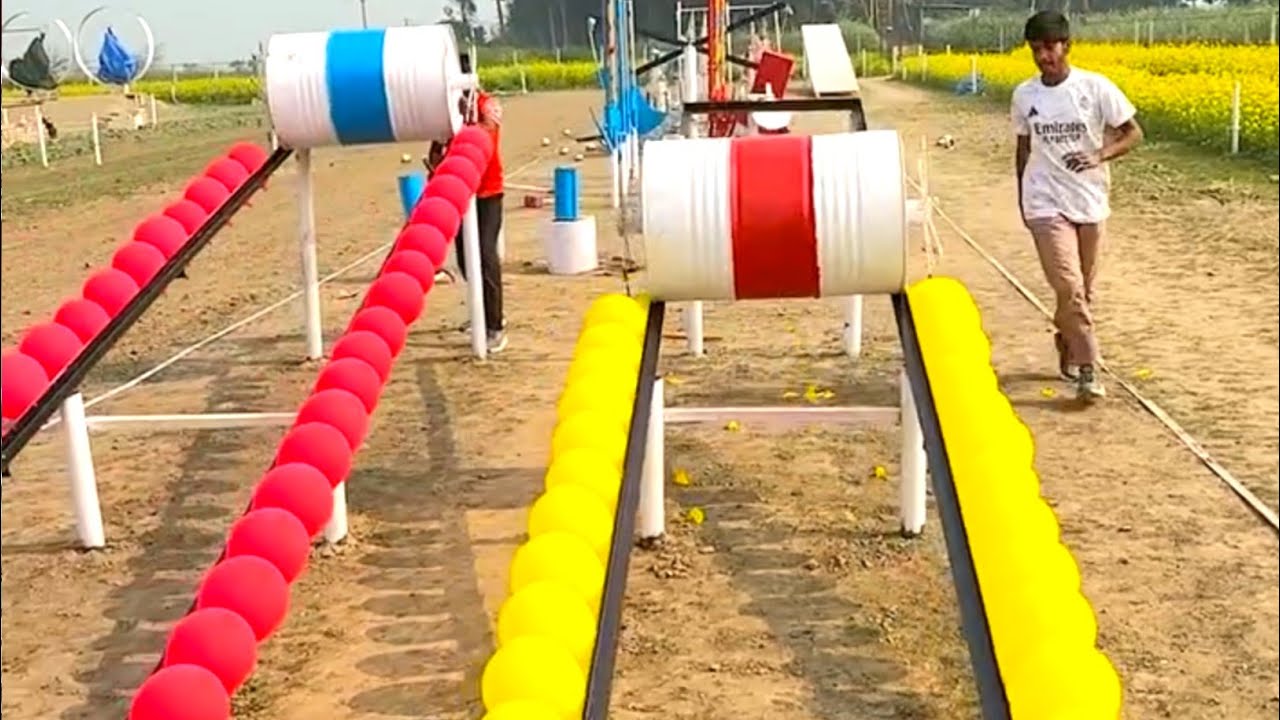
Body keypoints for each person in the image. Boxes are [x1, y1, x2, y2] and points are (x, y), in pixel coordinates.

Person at [1012, 11, 1143, 401]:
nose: (1043, 57)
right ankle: (1089, 369)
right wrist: (1024, 198)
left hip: (1089, 199)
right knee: (1068, 285)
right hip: (1044, 202)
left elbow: (1133, 133)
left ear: (1066, 46)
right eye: (1036, 50)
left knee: (1083, 288)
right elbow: (1022, 149)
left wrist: (1101, 155)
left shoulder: (1096, 88)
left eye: (1049, 48)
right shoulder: (1025, 95)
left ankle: (1066, 338)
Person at [426, 53, 508, 354]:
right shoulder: (445, 112)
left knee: (485, 256)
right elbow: (436, 150)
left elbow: (486, 132)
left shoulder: (486, 105)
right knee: (465, 260)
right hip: (460, 195)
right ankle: (481, 314)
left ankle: (496, 326)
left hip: (487, 194)